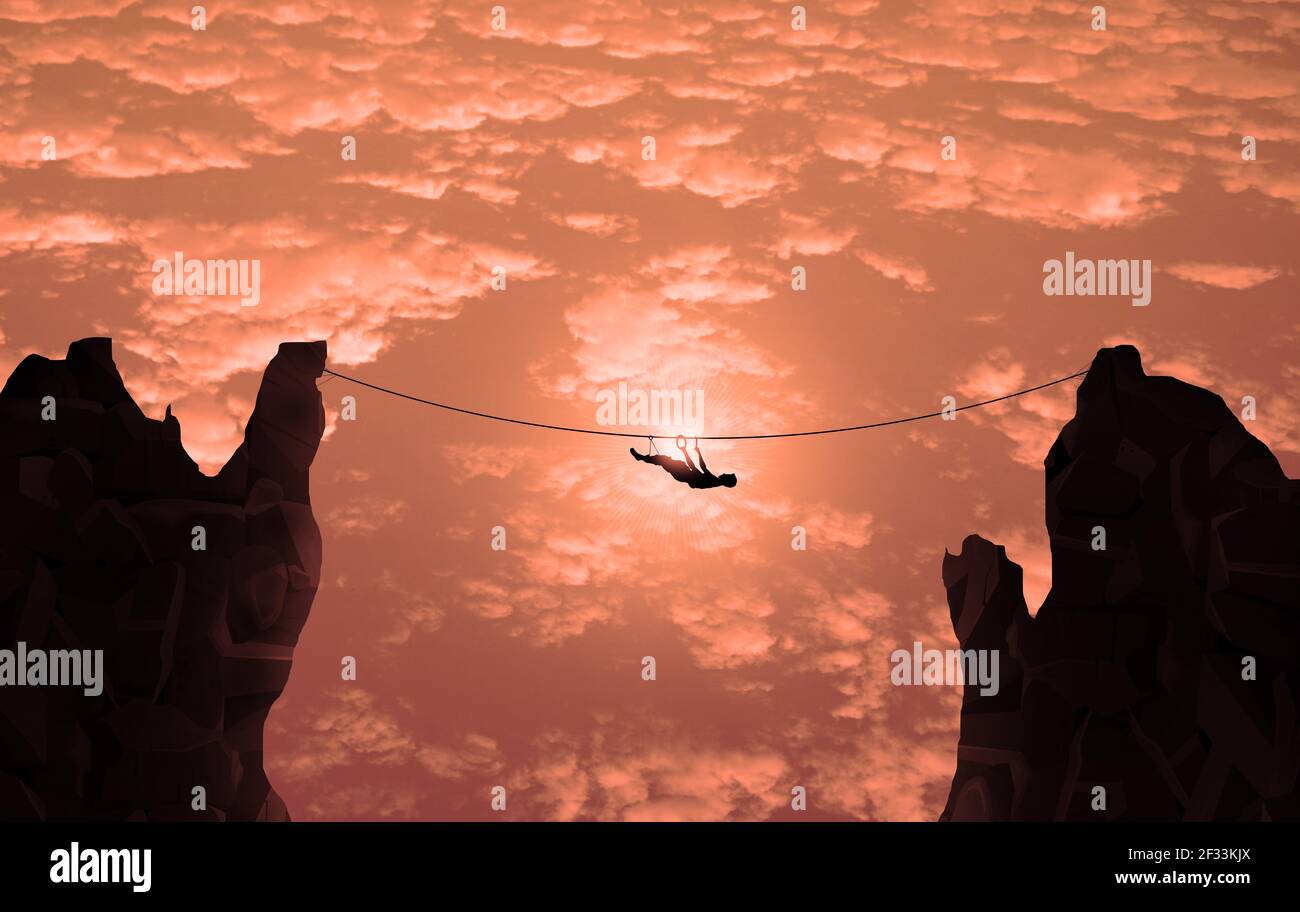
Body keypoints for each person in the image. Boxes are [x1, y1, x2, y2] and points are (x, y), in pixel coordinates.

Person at [630, 437, 737, 489]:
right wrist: (688, 451)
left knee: (662, 459)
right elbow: (696, 468)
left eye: (727, 475)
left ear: (726, 480)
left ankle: (640, 458)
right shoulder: (714, 481)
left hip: (682, 474)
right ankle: (641, 458)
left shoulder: (713, 481)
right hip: (683, 472)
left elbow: (698, 467)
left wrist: (688, 451)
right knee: (663, 459)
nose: (724, 473)